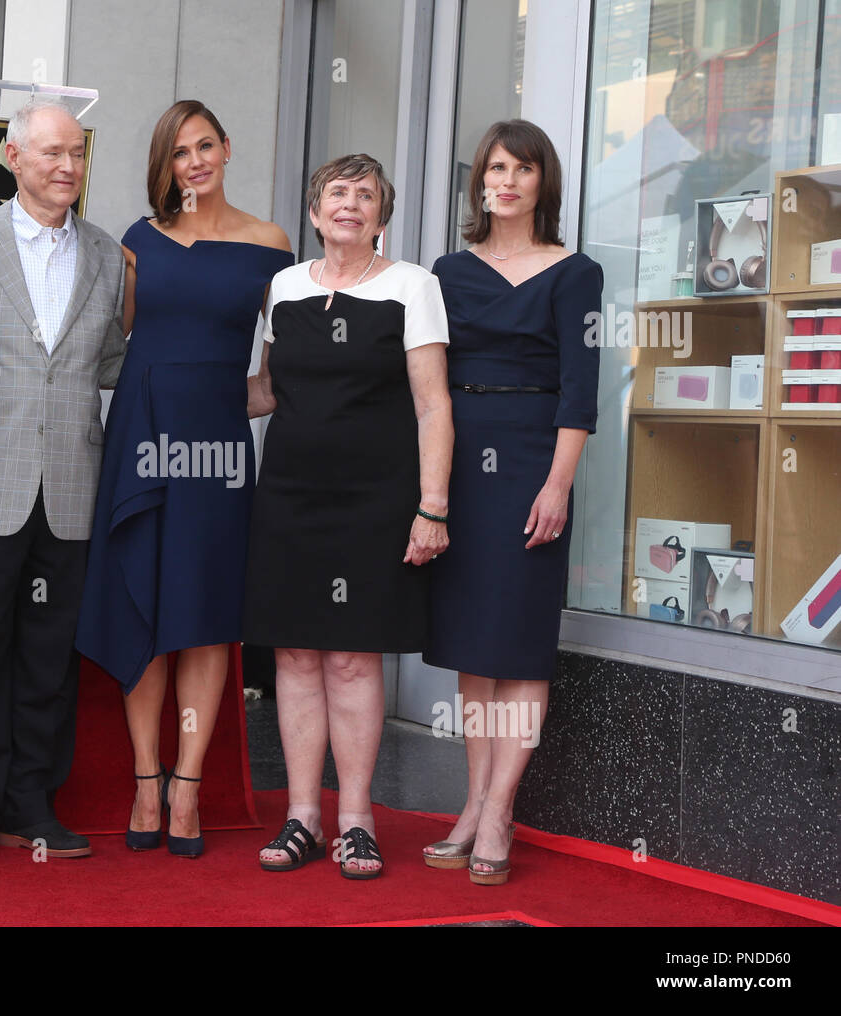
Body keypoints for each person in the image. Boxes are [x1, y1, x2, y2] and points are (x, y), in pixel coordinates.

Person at [74, 100, 292, 858]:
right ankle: (144, 778)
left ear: (227, 150)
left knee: (202, 613)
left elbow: (285, 361)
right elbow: (116, 341)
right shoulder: (139, 239)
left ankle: (189, 785)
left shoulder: (271, 244)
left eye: (205, 146)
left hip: (217, 446)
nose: (194, 161)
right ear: (165, 165)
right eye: (179, 151)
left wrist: (243, 403)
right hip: (141, 428)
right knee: (142, 595)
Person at [247, 154, 453, 879]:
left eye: (365, 196)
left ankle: (357, 819)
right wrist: (175, 389)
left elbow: (433, 404)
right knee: (296, 654)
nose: (350, 205)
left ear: (381, 216)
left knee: (352, 655)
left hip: (377, 500)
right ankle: (303, 816)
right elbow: (268, 391)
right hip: (289, 498)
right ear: (314, 211)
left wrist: (433, 506)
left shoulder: (412, 286)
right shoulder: (285, 285)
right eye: (337, 193)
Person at [0, 98, 125, 861]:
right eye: (51, 153)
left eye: (77, 154)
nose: (67, 168)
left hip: (74, 482)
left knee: (50, 656)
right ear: (12, 158)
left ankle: (32, 801)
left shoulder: (110, 254)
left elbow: (115, 363)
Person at [422, 119, 601, 885]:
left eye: (522, 169)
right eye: (495, 168)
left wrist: (558, 483)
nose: (506, 180)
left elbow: (580, 391)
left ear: (541, 184)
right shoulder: (446, 272)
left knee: (520, 642)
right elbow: (428, 384)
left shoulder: (575, 273)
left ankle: (501, 810)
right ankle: (472, 802)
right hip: (462, 462)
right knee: (473, 647)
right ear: (480, 183)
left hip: (534, 460)